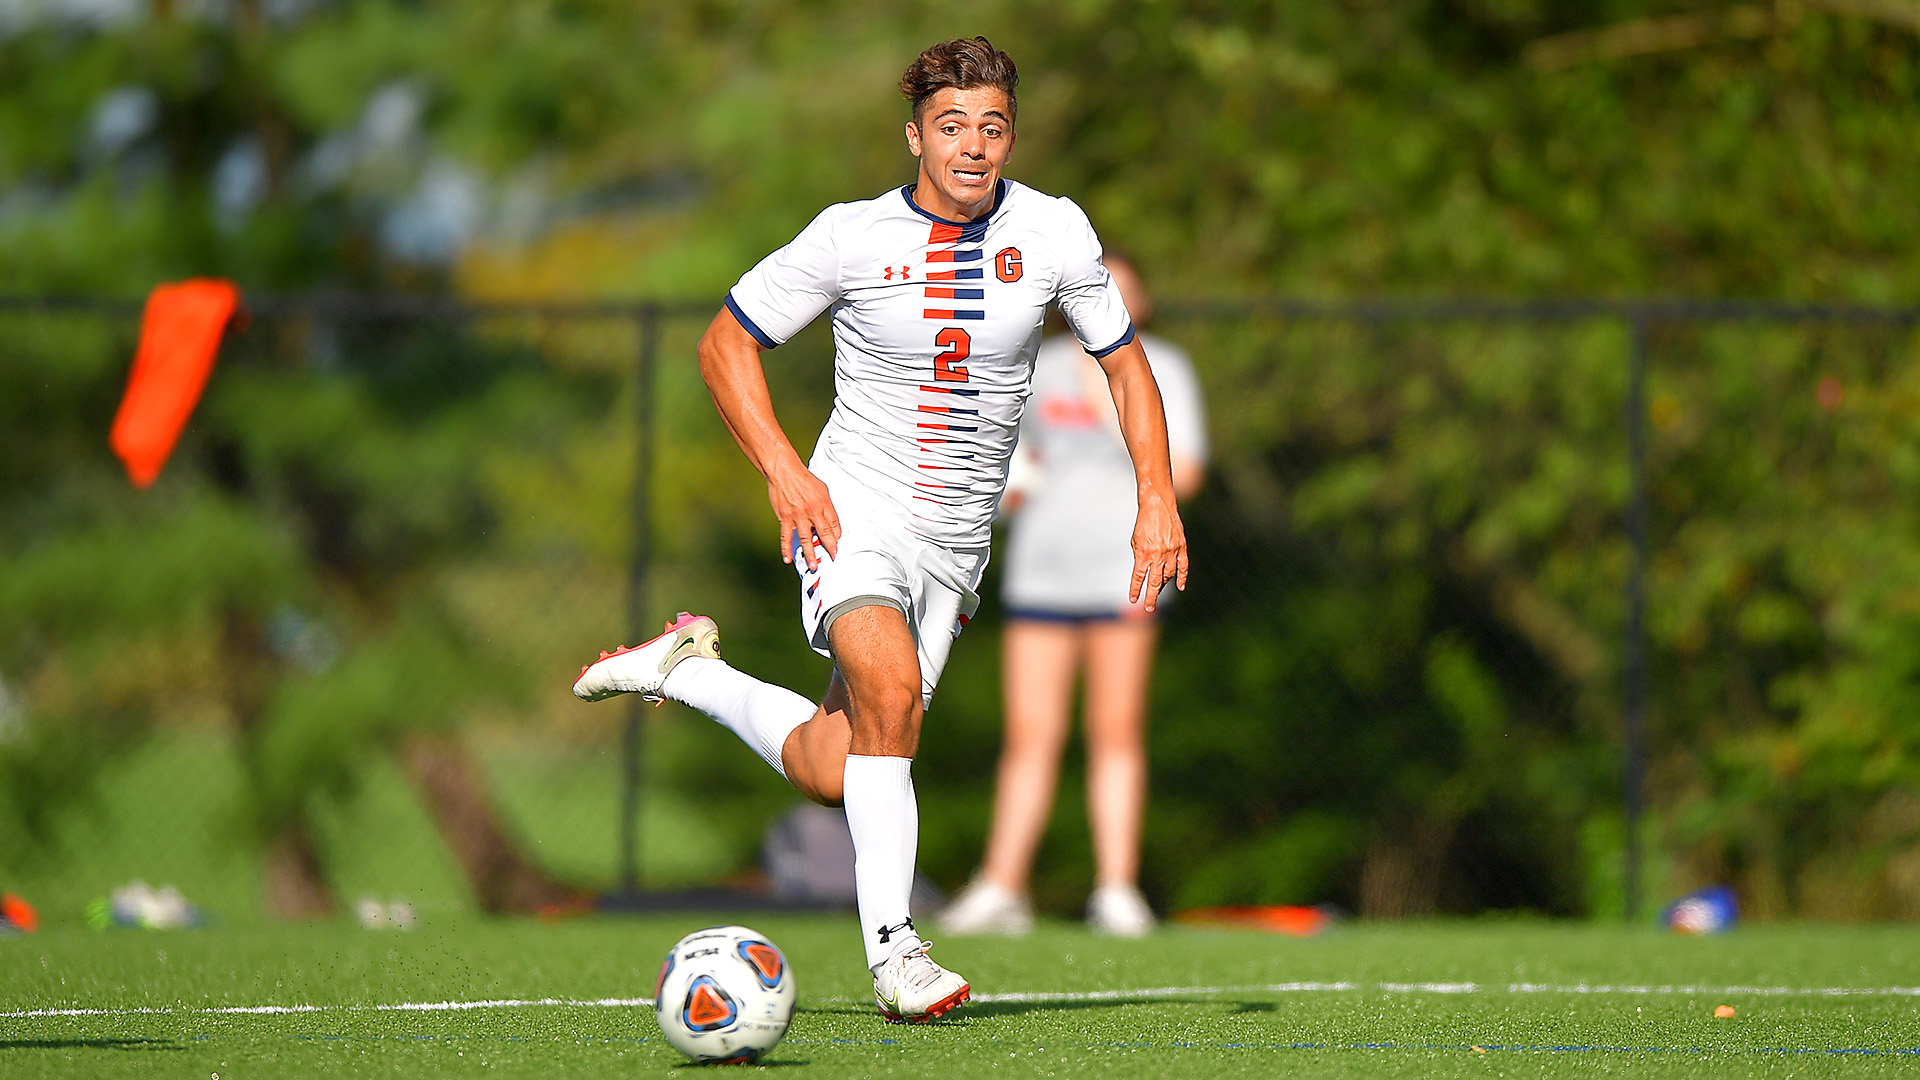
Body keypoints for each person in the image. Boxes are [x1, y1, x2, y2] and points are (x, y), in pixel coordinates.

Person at [571, 37, 1189, 1023]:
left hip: (958, 543)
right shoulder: (850, 237)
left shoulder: (1056, 231)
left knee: (836, 765)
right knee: (891, 693)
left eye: (992, 127)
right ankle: (897, 953)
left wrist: (1156, 496)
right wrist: (785, 471)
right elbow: (725, 343)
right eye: (952, 126)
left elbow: (1123, 363)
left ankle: (685, 671)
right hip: (853, 508)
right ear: (915, 137)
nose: (973, 145)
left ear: (1011, 138)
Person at [938, 258, 1207, 938]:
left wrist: (1113, 401)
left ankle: (1117, 891)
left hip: (1126, 574)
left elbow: (1187, 474)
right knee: (1030, 735)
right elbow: (1006, 462)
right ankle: (1002, 887)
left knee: (1116, 730)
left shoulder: (1164, 368)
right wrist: (1005, 488)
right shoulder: (1039, 365)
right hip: (1042, 573)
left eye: (1123, 288)